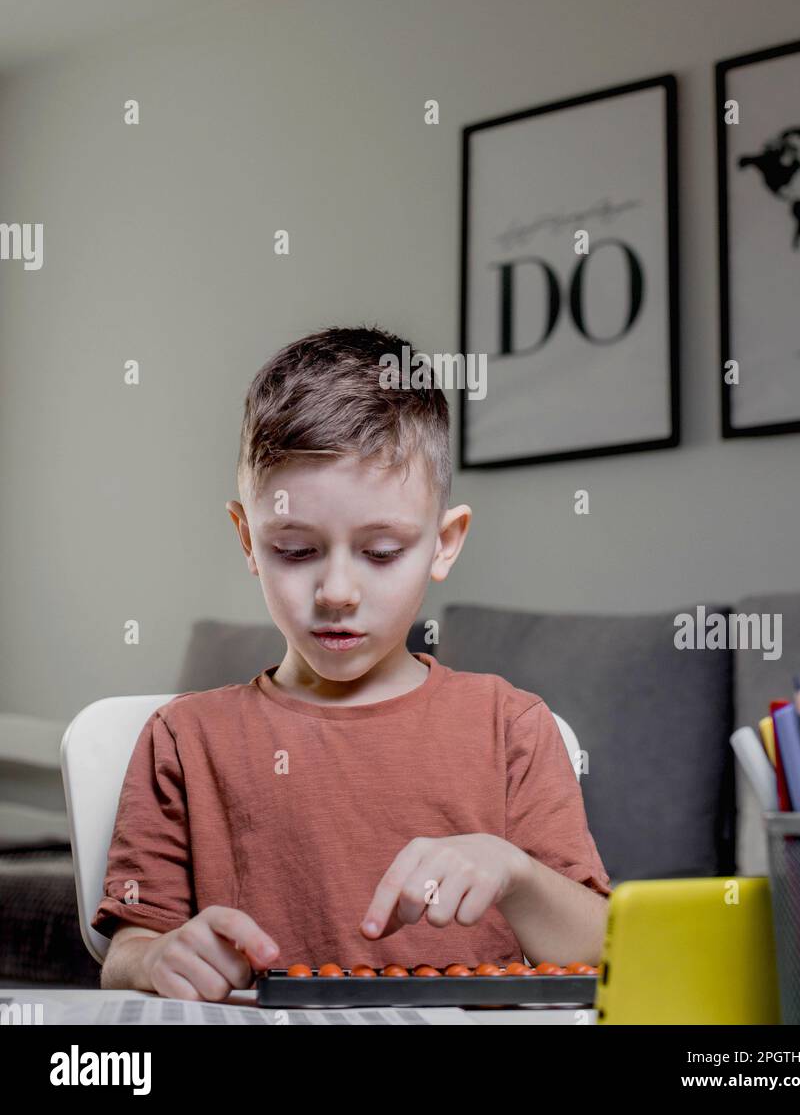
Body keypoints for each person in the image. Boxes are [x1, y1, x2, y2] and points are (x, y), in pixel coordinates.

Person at [95, 324, 610, 999]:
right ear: (248, 539)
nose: (337, 593)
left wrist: (515, 872)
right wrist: (158, 956)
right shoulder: (184, 739)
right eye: (297, 551)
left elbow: (604, 947)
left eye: (382, 552)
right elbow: (126, 952)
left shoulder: (511, 727)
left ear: (444, 542)